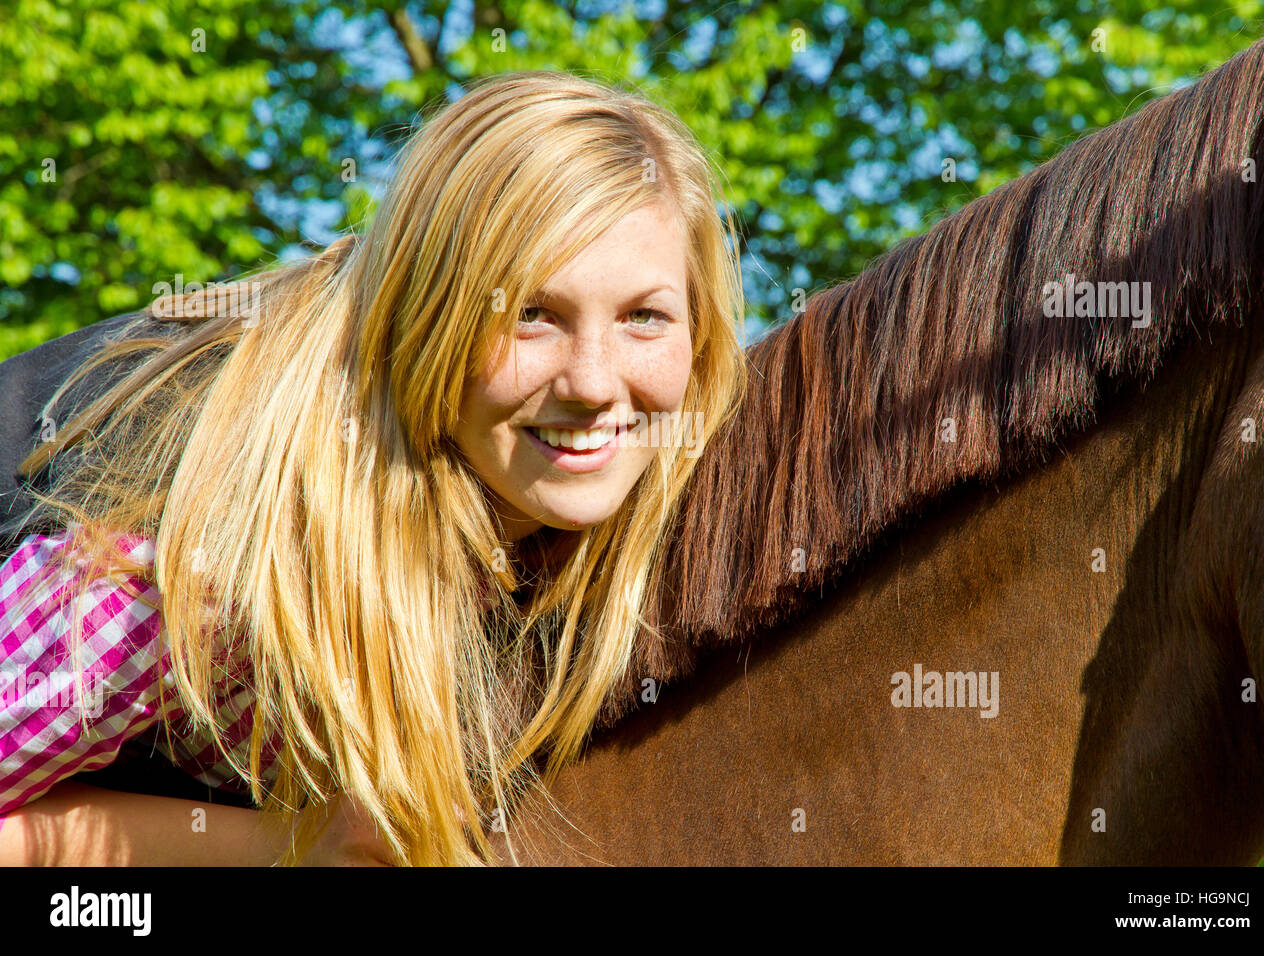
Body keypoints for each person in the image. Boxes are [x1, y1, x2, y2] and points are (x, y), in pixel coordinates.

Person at [0, 70, 746, 865]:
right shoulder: (208, 551)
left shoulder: (676, 475)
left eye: (644, 316)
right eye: (532, 315)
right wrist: (288, 846)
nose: (595, 385)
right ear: (428, 320)